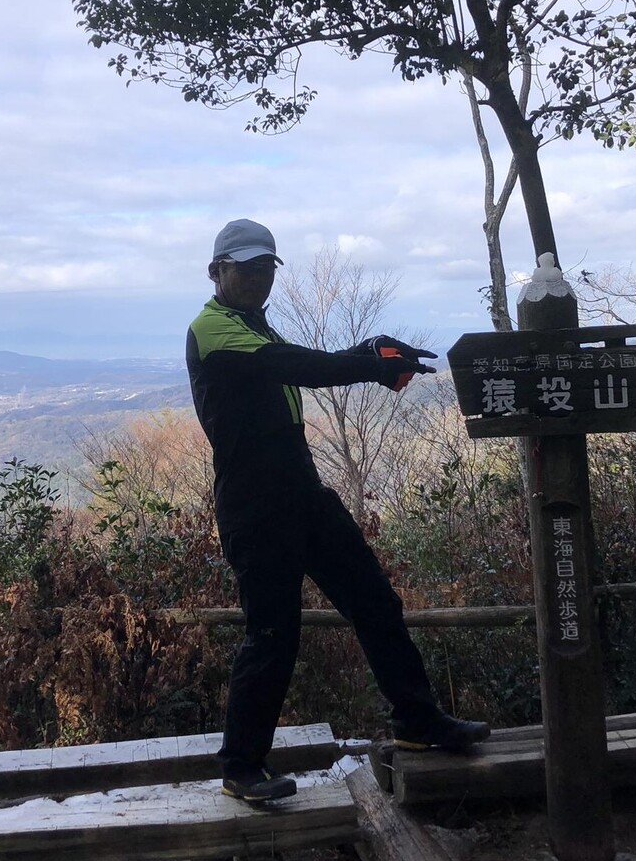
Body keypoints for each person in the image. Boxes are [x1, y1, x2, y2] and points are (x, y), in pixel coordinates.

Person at [187, 218, 491, 802]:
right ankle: (241, 767)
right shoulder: (213, 330)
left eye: (264, 269)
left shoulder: (253, 327)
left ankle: (418, 723)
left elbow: (297, 359)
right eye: (243, 268)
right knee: (273, 634)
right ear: (216, 271)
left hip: (304, 498)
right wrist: (371, 365)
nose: (255, 279)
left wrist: (369, 348)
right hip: (255, 510)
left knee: (376, 602)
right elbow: (299, 366)